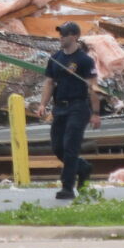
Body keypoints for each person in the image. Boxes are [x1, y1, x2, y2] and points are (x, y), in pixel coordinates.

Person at [37, 22, 101, 200]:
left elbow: (93, 88)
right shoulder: (55, 58)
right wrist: (43, 104)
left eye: (65, 34)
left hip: (78, 107)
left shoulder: (85, 60)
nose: (61, 37)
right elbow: (49, 82)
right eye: (60, 34)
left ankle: (67, 187)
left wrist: (96, 113)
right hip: (60, 107)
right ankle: (83, 167)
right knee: (58, 147)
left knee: (70, 146)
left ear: (75, 36)